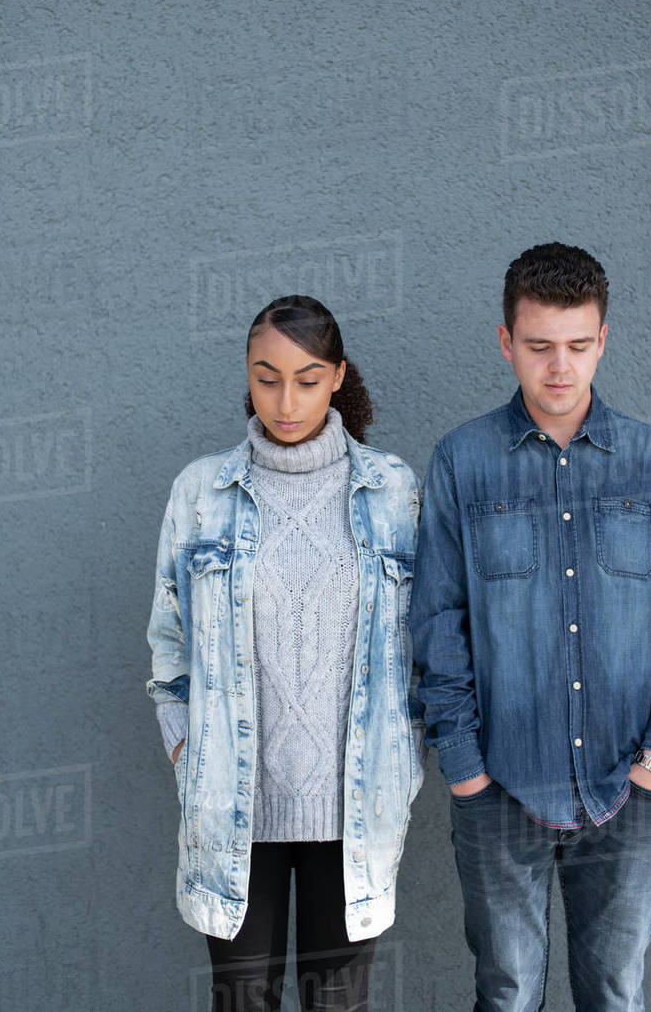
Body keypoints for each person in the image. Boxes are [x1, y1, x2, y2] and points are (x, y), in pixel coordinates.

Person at [409, 243, 651, 1012]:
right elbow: (436, 624)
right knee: (507, 993)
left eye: (579, 346)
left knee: (614, 994)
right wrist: (464, 767)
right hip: (498, 787)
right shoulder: (462, 462)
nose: (559, 367)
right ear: (507, 342)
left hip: (626, 786)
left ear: (603, 340)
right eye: (540, 346)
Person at [146, 295, 426, 1012]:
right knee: (242, 1001)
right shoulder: (200, 493)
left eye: (306, 379)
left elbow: (426, 646)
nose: (286, 399)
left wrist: (406, 755)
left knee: (335, 1003)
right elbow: (168, 648)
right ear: (247, 375)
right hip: (233, 805)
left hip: (355, 808)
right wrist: (187, 753)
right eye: (266, 378)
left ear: (337, 377)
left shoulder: (394, 491)